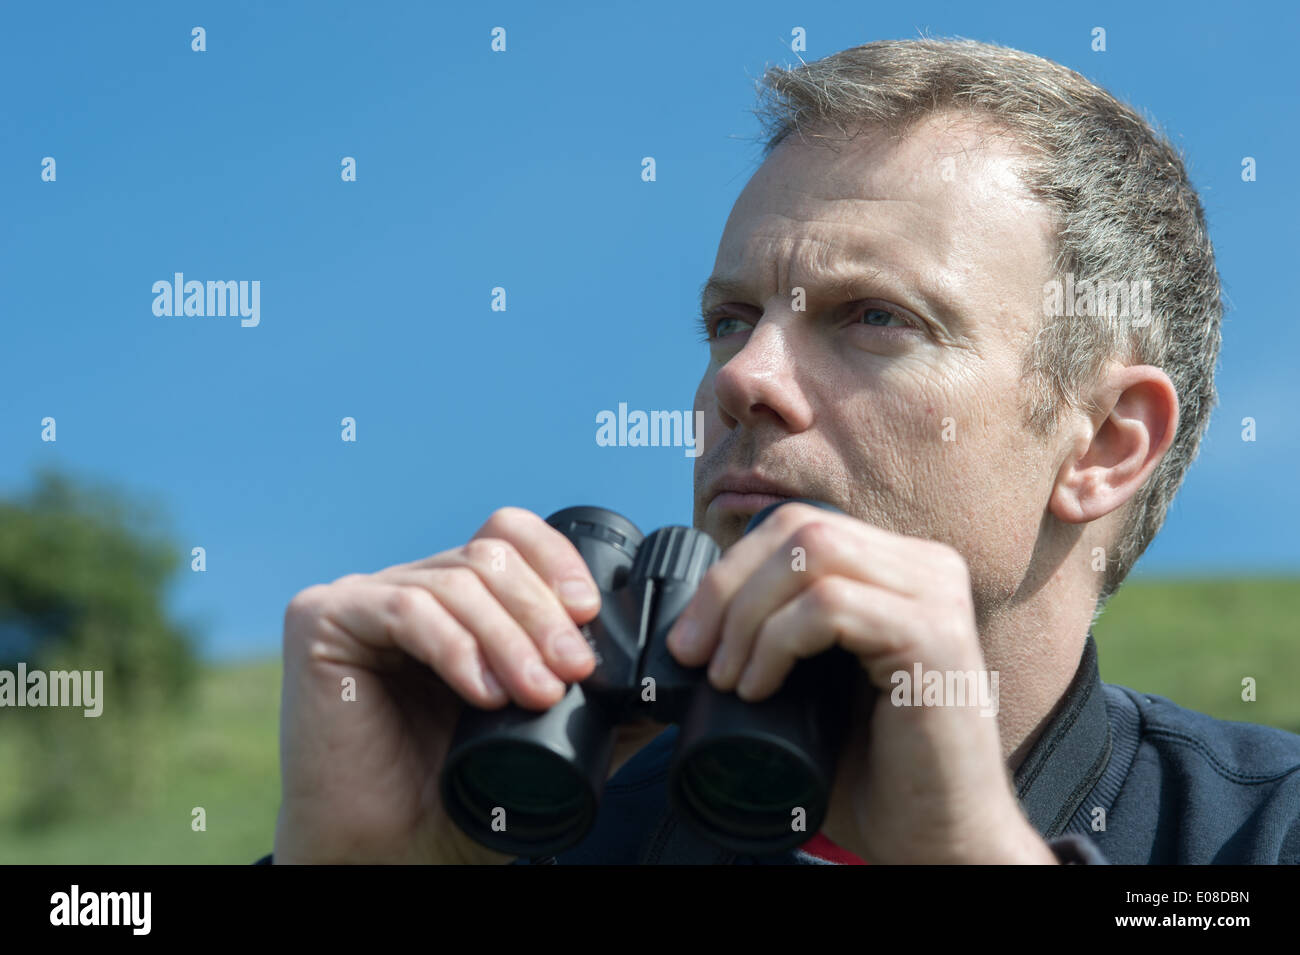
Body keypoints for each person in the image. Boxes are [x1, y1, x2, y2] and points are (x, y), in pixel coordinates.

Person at [260, 38, 1300, 865]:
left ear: (1104, 446)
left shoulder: (1263, 833)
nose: (740, 379)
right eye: (729, 319)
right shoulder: (531, 834)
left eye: (874, 316)